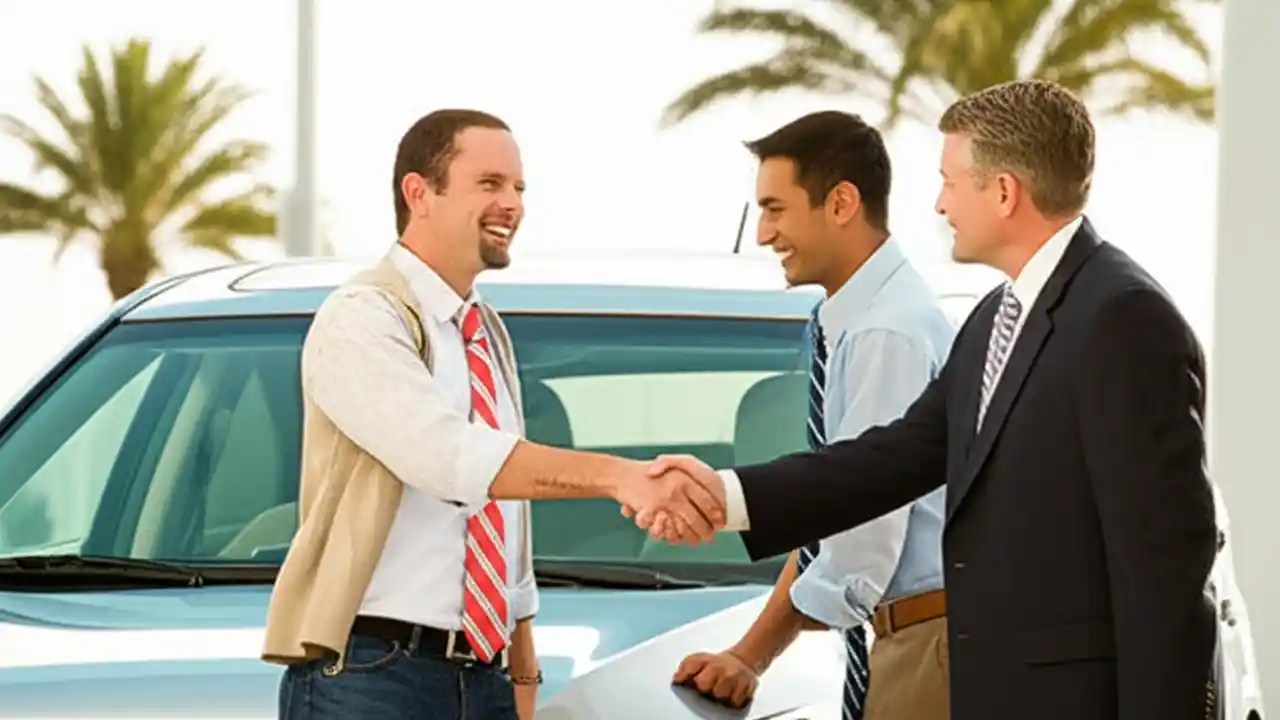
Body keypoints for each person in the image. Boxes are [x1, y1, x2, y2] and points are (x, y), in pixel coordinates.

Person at [643, 80, 1221, 720]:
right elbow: (891, 459)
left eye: (950, 181)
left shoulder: (1123, 317)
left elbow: (1165, 572)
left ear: (1003, 193)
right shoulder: (993, 321)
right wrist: (724, 495)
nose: (940, 204)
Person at [262, 109, 724, 719]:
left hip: (482, 680)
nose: (512, 204)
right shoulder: (362, 319)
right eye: (490, 184)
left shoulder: (484, 333)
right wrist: (620, 476)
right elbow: (449, 458)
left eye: (519, 188)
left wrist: (520, 674)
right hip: (373, 677)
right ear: (418, 193)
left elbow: (505, 517)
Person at [667, 111, 955, 720]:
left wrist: (754, 654)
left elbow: (859, 531)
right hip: (901, 640)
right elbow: (832, 512)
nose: (765, 234)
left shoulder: (887, 331)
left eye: (776, 209)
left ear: (842, 203)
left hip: (923, 646)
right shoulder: (856, 320)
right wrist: (749, 655)